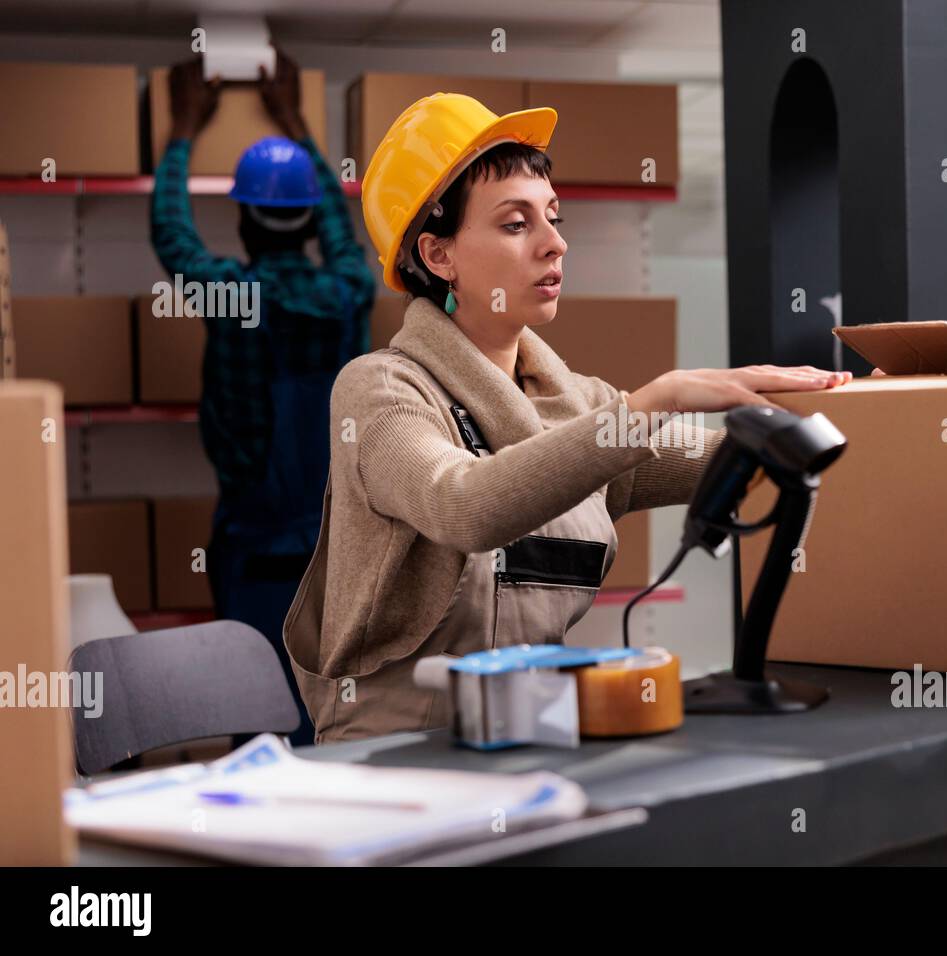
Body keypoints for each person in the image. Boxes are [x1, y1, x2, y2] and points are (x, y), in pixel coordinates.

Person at [284, 92, 850, 743]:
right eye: (516, 223)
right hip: (392, 753)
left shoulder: (578, 404)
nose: (556, 243)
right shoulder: (381, 390)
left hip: (531, 736)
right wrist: (656, 399)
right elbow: (464, 506)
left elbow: (734, 460)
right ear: (439, 256)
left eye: (552, 217)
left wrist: (876, 411)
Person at [150, 52, 375, 746]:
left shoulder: (231, 295)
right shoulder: (349, 293)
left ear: (244, 219)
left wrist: (184, 128)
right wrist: (297, 121)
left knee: (256, 735)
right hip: (344, 564)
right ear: (308, 221)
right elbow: (340, 234)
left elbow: (172, 234)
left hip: (252, 561)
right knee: (336, 734)